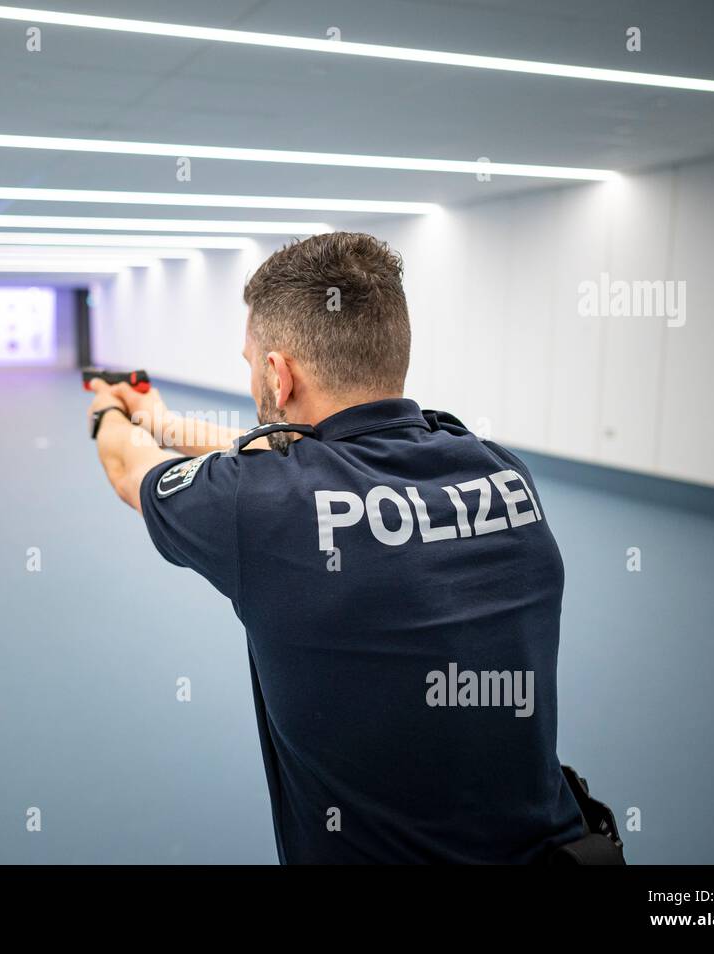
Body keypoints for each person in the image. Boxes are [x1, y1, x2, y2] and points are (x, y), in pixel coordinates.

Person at [86, 231, 586, 863]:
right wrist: (164, 419)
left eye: (250, 363)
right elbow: (297, 456)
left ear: (277, 372)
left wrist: (108, 409)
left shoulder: (259, 506)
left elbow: (129, 470)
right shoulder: (497, 467)